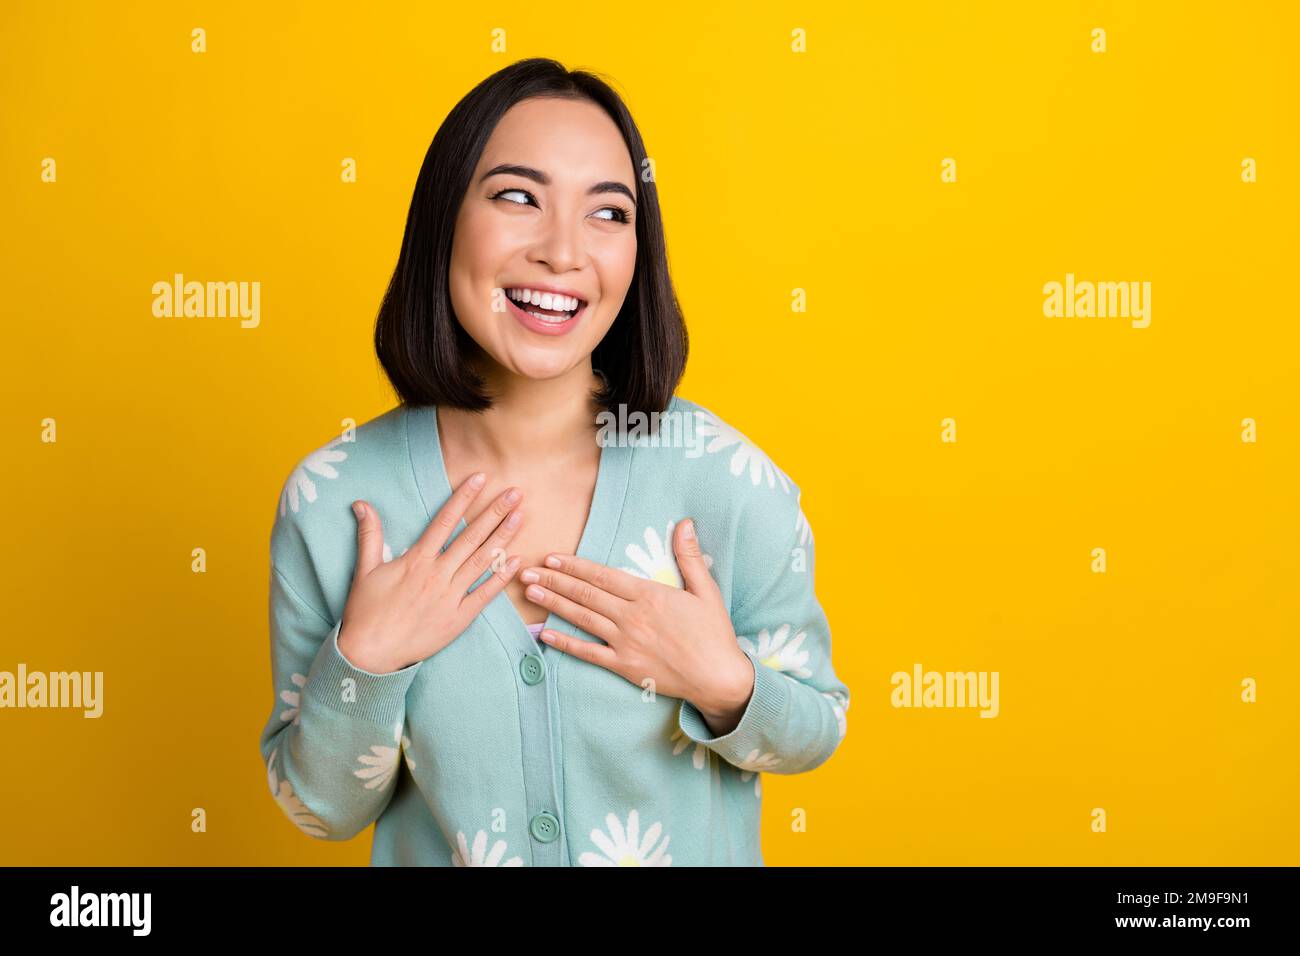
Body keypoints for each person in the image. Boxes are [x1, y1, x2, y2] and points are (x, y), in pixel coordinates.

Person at [259, 57, 849, 866]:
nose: (563, 252)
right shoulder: (333, 501)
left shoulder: (726, 481)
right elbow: (319, 809)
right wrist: (363, 660)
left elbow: (816, 730)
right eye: (516, 197)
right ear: (444, 219)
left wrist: (726, 684)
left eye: (609, 213)